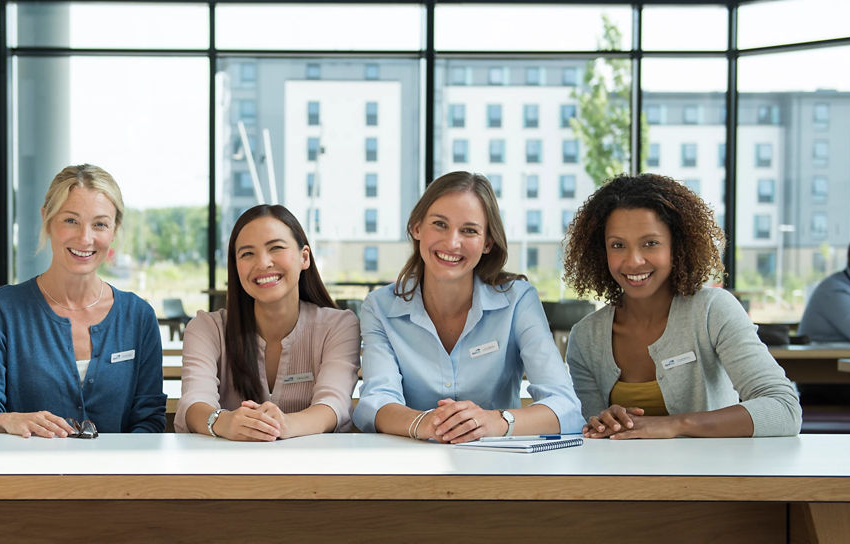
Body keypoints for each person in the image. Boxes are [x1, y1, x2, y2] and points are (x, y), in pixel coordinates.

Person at [562, 173, 801, 439]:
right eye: (617, 245)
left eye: (650, 243)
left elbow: (785, 410)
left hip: (713, 476)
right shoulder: (586, 337)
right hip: (623, 479)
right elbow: (589, 434)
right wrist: (602, 422)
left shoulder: (713, 311)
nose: (633, 261)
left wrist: (678, 424)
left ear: (678, 246)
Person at [354, 172, 584, 443]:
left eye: (469, 230)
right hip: (411, 465)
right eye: (440, 224)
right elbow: (376, 402)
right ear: (417, 228)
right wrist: (424, 423)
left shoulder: (518, 300)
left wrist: (494, 421)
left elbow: (566, 407)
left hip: (500, 468)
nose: (452, 242)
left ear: (487, 243)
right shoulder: (379, 307)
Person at [0, 164, 165, 437]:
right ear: (47, 219)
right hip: (27, 474)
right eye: (71, 220)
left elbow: (150, 419)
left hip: (117, 476)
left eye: (99, 224)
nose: (85, 238)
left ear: (114, 229)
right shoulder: (2, 310)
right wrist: (5, 420)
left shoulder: (138, 316)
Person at [176, 205, 360, 441]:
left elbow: (333, 405)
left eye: (276, 248)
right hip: (227, 470)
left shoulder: (339, 325)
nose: (263, 263)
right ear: (236, 266)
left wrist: (284, 425)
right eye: (247, 254)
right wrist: (224, 422)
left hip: (315, 468)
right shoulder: (206, 328)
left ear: (304, 257)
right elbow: (193, 402)